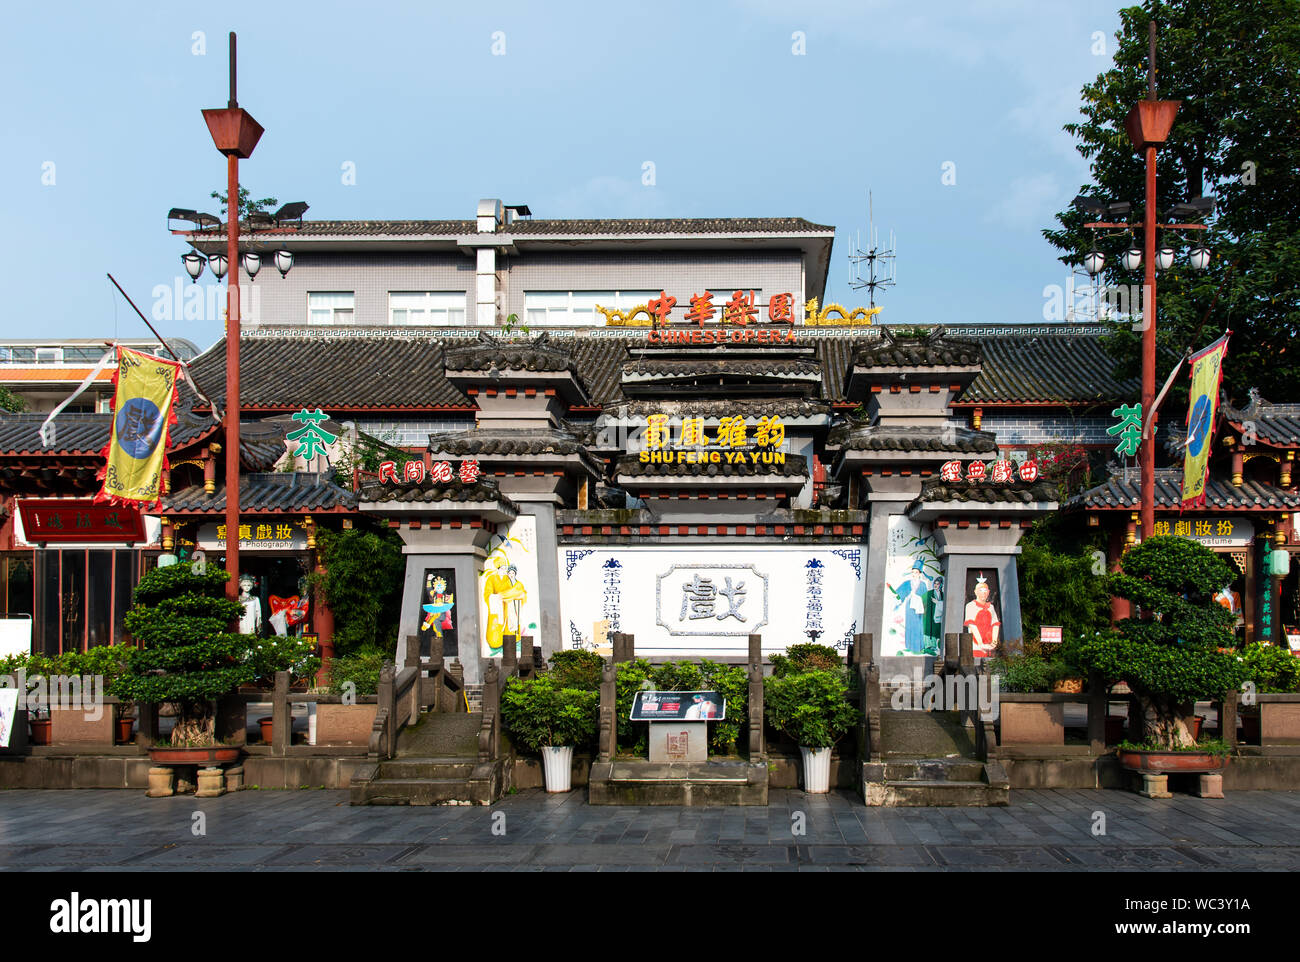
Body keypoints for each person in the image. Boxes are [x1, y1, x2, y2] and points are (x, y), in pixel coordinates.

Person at [891, 559, 931, 655]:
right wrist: (898, 596)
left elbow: (925, 597)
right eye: (913, 572)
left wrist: (919, 599)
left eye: (916, 572)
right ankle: (909, 646)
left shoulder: (923, 584)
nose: (914, 574)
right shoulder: (907, 583)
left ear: (920, 573)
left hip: (919, 607)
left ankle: (918, 646)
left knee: (918, 626)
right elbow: (899, 593)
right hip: (909, 607)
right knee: (910, 625)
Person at [963, 574, 1001, 657]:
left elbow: (995, 624)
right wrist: (980, 643)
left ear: (988, 592)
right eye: (981, 590)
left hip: (989, 644)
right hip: (976, 645)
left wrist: (994, 643)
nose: (983, 593)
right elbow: (972, 626)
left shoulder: (990, 607)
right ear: (976, 592)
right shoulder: (970, 606)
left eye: (985, 590)